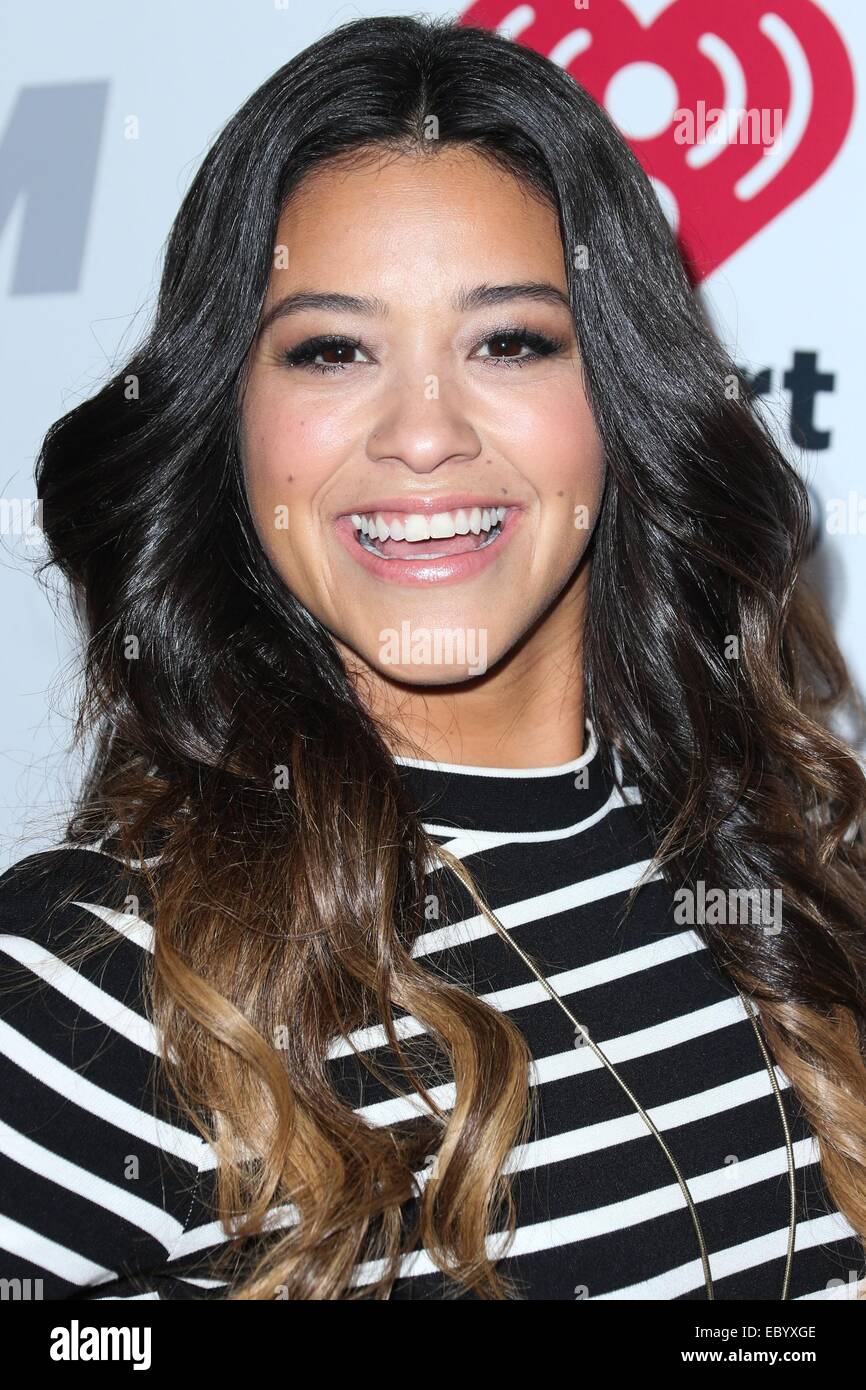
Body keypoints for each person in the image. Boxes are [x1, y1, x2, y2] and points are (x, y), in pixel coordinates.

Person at [2, 13, 866, 1302]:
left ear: (621, 399)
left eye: (510, 340)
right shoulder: (96, 976)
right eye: (331, 349)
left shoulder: (800, 880)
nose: (423, 434)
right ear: (231, 425)